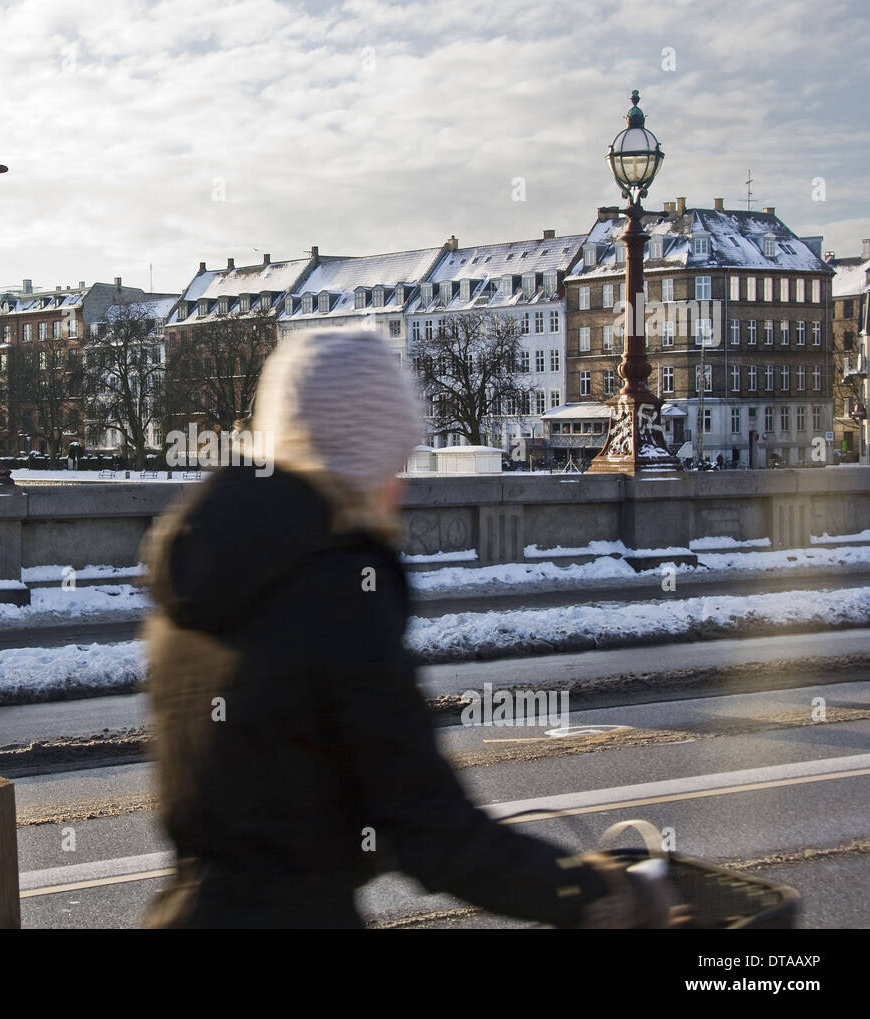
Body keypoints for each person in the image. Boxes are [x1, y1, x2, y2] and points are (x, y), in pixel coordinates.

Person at [140, 326, 677, 929]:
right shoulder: (333, 586)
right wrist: (595, 894)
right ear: (358, 461)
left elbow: (290, 783)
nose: (399, 487)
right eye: (393, 462)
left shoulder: (200, 571)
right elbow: (433, 829)